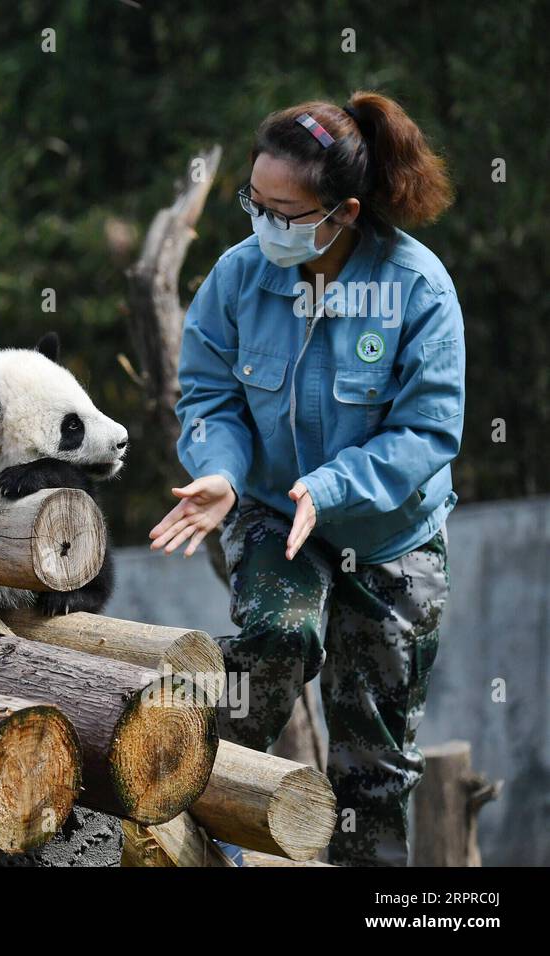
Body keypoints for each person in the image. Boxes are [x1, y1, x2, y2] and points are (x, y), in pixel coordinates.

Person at [150, 91, 464, 866]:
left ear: (343, 212)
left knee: (375, 766)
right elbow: (209, 396)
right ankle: (177, 819)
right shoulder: (237, 277)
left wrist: (330, 487)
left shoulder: (417, 290)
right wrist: (220, 471)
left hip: (390, 537)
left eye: (282, 211)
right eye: (253, 202)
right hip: (268, 511)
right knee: (275, 640)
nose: (262, 224)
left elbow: (428, 432)